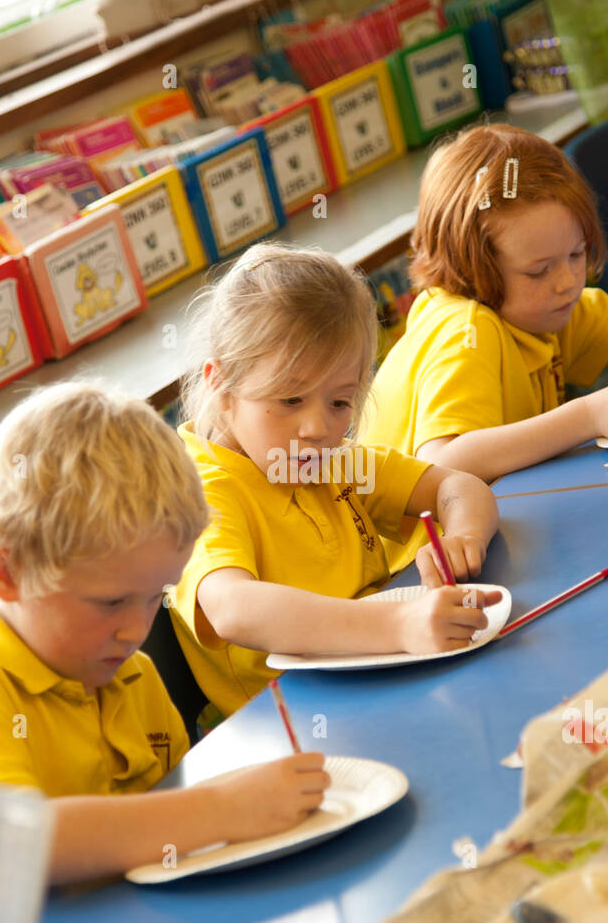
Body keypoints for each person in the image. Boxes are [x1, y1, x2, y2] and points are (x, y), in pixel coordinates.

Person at [0, 382, 329, 923]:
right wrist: (224, 809)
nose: (135, 630)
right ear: (5, 575)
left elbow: (162, 829)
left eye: (154, 598)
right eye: (109, 603)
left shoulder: (131, 675)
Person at [361, 123, 608, 570]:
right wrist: (590, 415)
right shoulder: (466, 331)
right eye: (539, 270)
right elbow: (445, 463)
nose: (568, 281)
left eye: (575, 255)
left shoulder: (538, 307)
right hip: (420, 570)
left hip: (489, 537)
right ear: (472, 269)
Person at [169, 243, 500, 718]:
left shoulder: (331, 462)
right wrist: (397, 624)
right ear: (221, 388)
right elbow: (233, 608)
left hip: (386, 676)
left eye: (340, 403)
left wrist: (463, 537)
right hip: (299, 723)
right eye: (289, 400)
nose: (318, 428)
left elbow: (459, 487)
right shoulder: (199, 492)